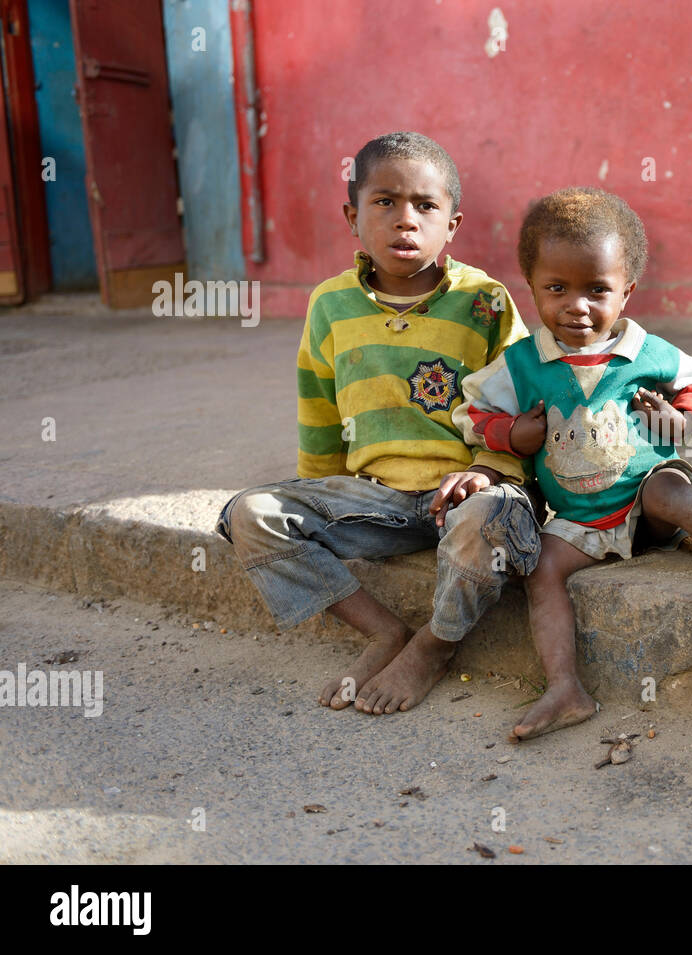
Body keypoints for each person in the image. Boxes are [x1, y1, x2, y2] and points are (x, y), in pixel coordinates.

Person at [216, 131, 540, 716]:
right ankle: (384, 631)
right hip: (377, 501)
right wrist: (317, 491)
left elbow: (520, 402)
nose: (405, 221)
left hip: (466, 492)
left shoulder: (485, 301)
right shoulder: (330, 305)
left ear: (453, 225)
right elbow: (318, 408)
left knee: (490, 523)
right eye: (385, 202)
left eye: (426, 206)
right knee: (251, 514)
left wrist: (491, 471)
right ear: (352, 217)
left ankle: (433, 647)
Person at [454, 187, 692, 741]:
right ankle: (564, 688)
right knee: (541, 572)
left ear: (627, 290)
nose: (577, 305)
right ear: (531, 288)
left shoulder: (648, 352)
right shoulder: (519, 364)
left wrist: (677, 419)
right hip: (577, 521)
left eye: (597, 290)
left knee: (670, 491)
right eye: (556, 288)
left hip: (644, 503)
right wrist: (514, 432)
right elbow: (474, 412)